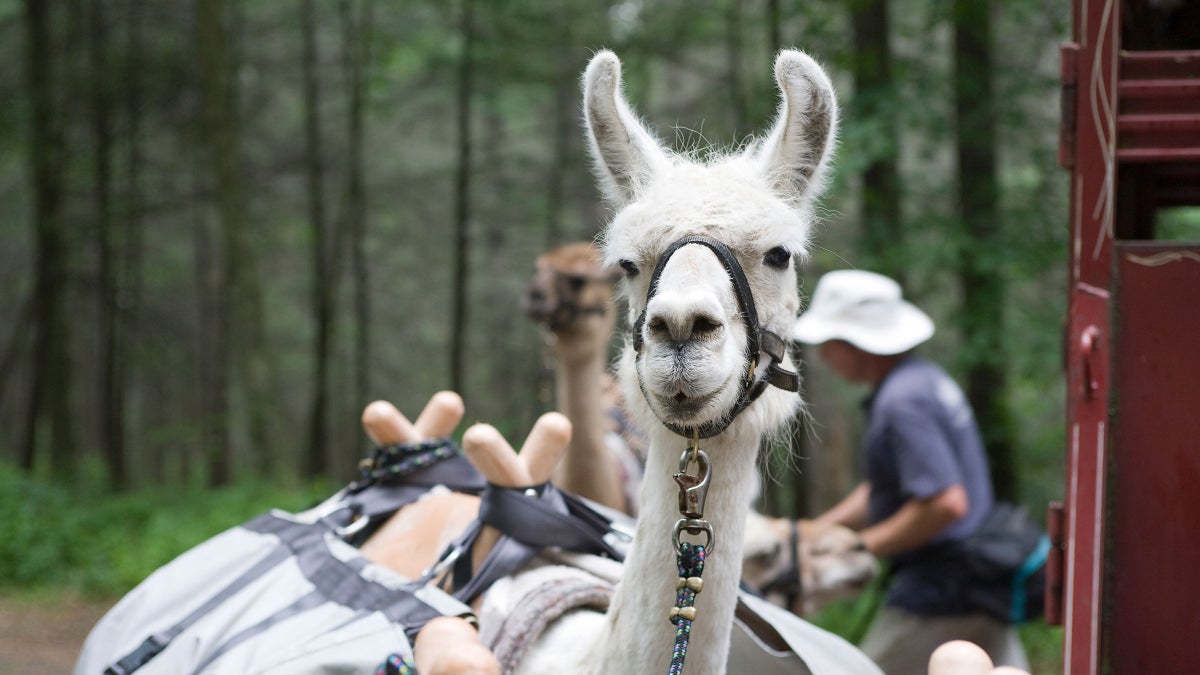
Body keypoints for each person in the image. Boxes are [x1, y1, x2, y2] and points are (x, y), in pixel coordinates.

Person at [792, 269, 1028, 675]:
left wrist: (858, 549)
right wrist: (819, 530)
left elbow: (945, 503)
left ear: (858, 344)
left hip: (943, 589)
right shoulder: (922, 381)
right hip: (977, 583)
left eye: (830, 343)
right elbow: (888, 487)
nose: (825, 356)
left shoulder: (902, 403)